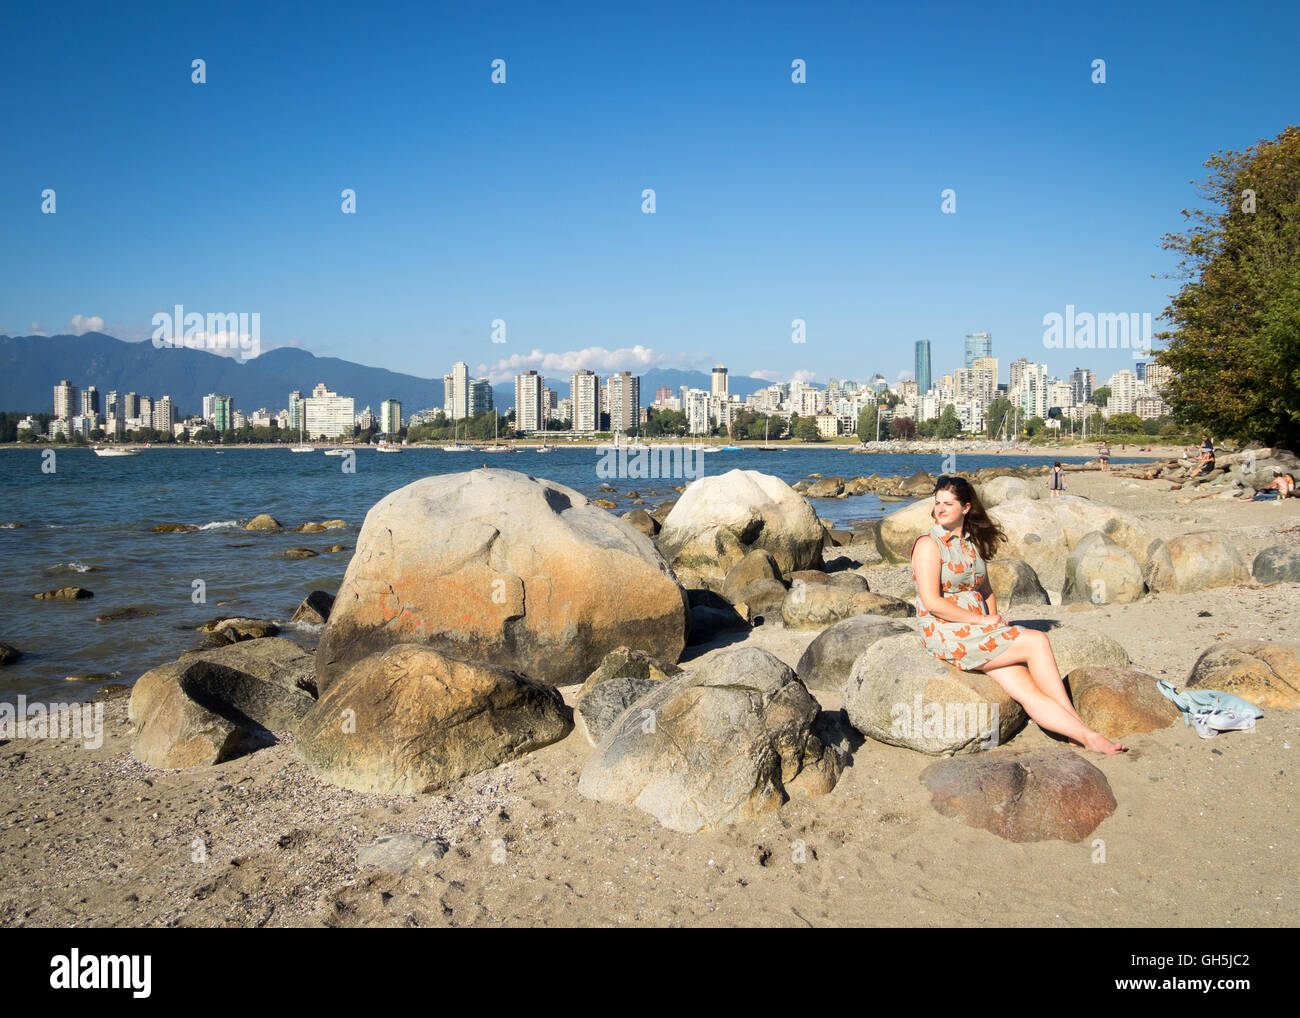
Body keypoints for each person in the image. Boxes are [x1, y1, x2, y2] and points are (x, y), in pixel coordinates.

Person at [910, 476, 1127, 754]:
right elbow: (932, 602)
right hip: (945, 630)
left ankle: (1081, 735)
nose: (940, 509)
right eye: (937, 503)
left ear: (965, 508)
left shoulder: (969, 544)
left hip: (977, 631)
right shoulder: (929, 544)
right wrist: (982, 621)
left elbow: (985, 589)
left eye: (948, 504)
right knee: (1036, 641)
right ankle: (1080, 725)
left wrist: (995, 624)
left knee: (1027, 690)